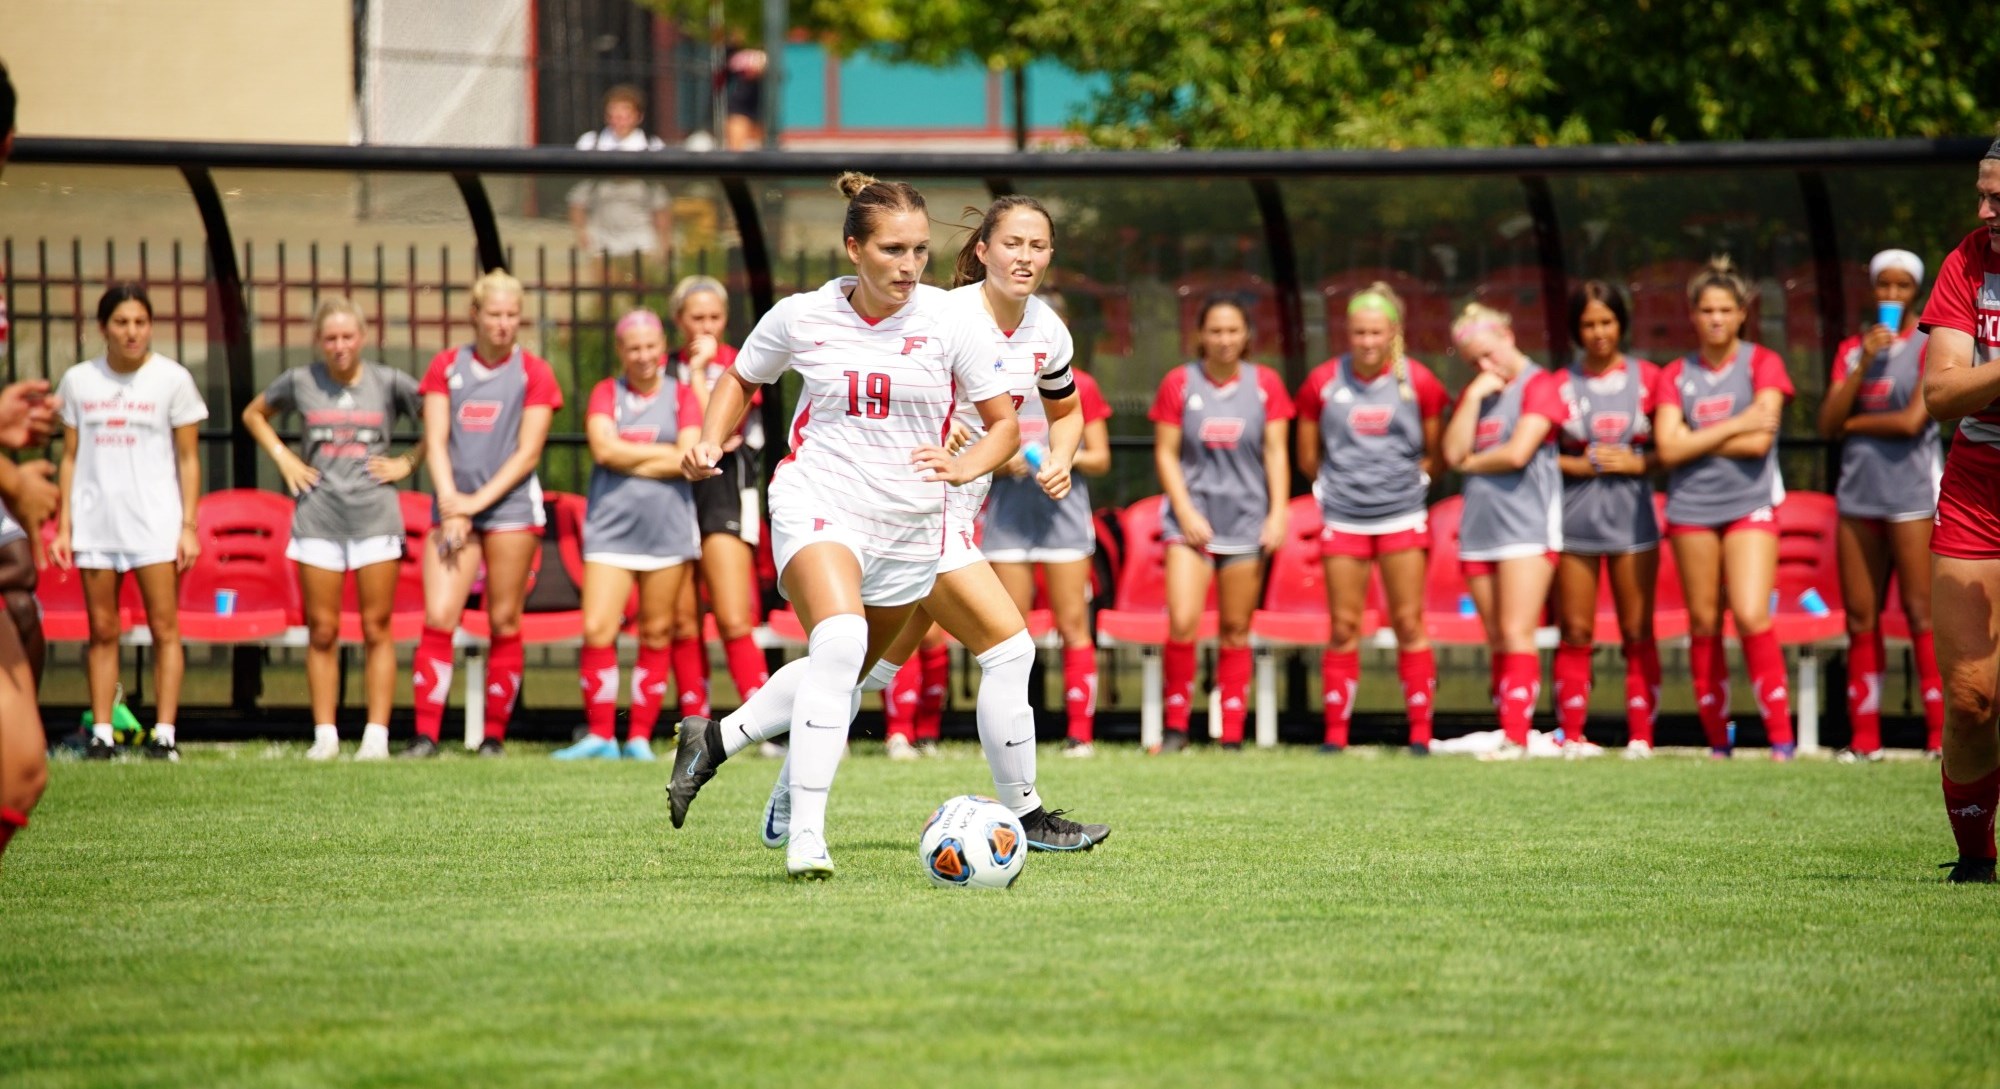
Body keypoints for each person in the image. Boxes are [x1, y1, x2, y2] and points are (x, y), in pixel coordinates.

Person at [666, 172, 1023, 880]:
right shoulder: (802, 315)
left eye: (919, 250)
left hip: (910, 524)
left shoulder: (952, 320)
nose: (909, 265)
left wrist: (963, 466)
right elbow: (740, 377)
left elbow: (1004, 426)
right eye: (893, 250)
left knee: (854, 676)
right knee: (840, 640)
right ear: (854, 248)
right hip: (818, 498)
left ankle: (720, 740)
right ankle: (808, 836)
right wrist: (708, 439)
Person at [242, 297, 422, 761]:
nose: (340, 346)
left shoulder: (388, 382)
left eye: (347, 336)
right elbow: (253, 414)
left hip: (375, 517)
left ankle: (376, 737)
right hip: (319, 517)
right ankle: (325, 736)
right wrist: (284, 458)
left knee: (376, 628)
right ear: (319, 341)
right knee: (322, 630)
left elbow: (440, 417)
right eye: (330, 338)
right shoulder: (300, 381)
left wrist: (408, 461)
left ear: (363, 337)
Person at [405, 270, 563, 758]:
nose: (503, 323)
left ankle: (493, 737)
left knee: (504, 618)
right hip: (454, 508)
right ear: (474, 315)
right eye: (494, 314)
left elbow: (527, 453)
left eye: (512, 315)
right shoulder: (446, 366)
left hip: (512, 510)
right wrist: (453, 504)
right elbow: (435, 441)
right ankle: (425, 736)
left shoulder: (534, 372)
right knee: (440, 614)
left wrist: (474, 505)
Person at [51, 284, 208, 761]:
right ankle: (102, 733)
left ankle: (165, 734)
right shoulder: (79, 381)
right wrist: (64, 526)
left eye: (140, 322)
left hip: (155, 526)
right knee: (102, 630)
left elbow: (188, 458)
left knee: (165, 629)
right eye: (121, 322)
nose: (132, 332)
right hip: (96, 524)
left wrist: (188, 526)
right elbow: (69, 457)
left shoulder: (173, 379)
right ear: (103, 328)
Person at [1294, 284, 1447, 755]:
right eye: (1359, 332)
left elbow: (1436, 450)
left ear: (1393, 332)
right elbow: (1307, 456)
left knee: (1408, 622)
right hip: (1344, 517)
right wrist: (1336, 487)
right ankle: (1336, 736)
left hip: (1402, 516)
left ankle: (1420, 734)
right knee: (1343, 626)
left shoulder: (1418, 381)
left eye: (1376, 332)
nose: (1367, 341)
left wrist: (1412, 482)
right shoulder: (1323, 381)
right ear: (1347, 333)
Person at [1652, 257, 1795, 761]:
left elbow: (1760, 442)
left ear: (1741, 314)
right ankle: (1718, 742)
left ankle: (1781, 740)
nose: (1716, 319)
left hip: (1748, 505)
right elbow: (1667, 450)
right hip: (1690, 508)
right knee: (1704, 622)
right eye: (1707, 310)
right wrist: (1738, 423)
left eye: (1725, 310)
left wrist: (1694, 437)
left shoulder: (1763, 363)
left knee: (1752, 615)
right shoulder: (1675, 374)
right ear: (1693, 315)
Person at [556, 309, 703, 762]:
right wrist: (664, 455)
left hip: (668, 531)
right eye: (634, 348)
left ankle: (638, 736)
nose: (643, 355)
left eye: (651, 346)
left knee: (656, 633)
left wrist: (630, 455)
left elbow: (689, 457)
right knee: (598, 628)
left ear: (663, 348)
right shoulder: (607, 392)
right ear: (621, 351)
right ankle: (601, 735)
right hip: (611, 532)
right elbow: (602, 449)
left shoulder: (682, 395)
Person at [1151, 297, 1294, 752]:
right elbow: (1166, 454)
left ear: (1246, 335)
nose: (1224, 339)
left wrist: (1278, 512)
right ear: (1200, 335)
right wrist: (1185, 511)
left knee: (1235, 627)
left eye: (1233, 330)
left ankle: (1231, 733)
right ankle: (1176, 728)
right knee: (1183, 622)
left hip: (1246, 521)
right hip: (1190, 523)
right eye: (1215, 330)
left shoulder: (1266, 384)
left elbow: (1276, 453)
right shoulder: (1179, 382)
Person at [1819, 249, 1941, 763]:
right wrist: (1865, 363)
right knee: (1860, 617)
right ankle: (1865, 739)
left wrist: (1854, 424)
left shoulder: (1932, 345)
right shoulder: (1853, 350)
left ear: (1916, 292)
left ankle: (1940, 738)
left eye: (1902, 286)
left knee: (1921, 613)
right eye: (1883, 286)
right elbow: (1828, 424)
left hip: (1911, 497)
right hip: (1858, 496)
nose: (1891, 295)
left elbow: (1913, 421)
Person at [1916, 138, 2000, 883]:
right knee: (1973, 697)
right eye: (1982, 192)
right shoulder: (1967, 262)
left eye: (1999, 197)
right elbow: (1941, 394)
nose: (1984, 209)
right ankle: (1976, 858)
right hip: (1978, 486)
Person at [983, 293, 1114, 758]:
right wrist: (1005, 465)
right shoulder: (992, 377)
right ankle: (1006, 733)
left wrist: (1062, 459)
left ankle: (1080, 734)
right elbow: (972, 452)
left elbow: (1100, 458)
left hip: (1064, 520)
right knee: (1008, 633)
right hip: (1008, 520)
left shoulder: (1082, 384)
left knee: (1073, 626)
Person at [1444, 304, 1569, 761]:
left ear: (1508, 336)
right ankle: (1508, 728)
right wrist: (1473, 398)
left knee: (1518, 631)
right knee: (1496, 635)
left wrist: (1471, 463)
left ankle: (1518, 737)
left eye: (1488, 353)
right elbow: (1451, 451)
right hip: (1479, 530)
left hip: (1527, 529)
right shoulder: (1479, 391)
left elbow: (1518, 453)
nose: (1484, 365)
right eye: (1473, 360)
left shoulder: (1541, 384)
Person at [1550, 282, 1663, 759]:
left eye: (1607, 322)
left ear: (1622, 324)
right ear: (1576, 330)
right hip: (1575, 524)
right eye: (1588, 324)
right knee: (1576, 632)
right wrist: (1574, 464)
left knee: (1637, 630)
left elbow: (1673, 448)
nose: (1599, 332)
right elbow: (1535, 451)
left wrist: (1640, 462)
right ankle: (1571, 736)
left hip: (1634, 524)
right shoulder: (1557, 384)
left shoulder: (1650, 378)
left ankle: (1641, 737)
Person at [668, 276, 768, 724]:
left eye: (715, 317)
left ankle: (765, 727)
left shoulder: (737, 363)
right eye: (697, 318)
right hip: (672, 493)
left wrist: (698, 373)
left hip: (724, 489)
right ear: (679, 320)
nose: (706, 326)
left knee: (732, 616)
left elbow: (720, 431)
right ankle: (693, 724)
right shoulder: (661, 365)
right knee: (683, 620)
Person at [568, 85, 672, 262]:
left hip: (640, 236)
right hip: (601, 235)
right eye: (614, 116)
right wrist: (581, 231)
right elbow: (577, 200)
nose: (619, 121)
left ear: (638, 117)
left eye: (625, 116)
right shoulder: (590, 143)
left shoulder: (652, 146)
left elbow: (660, 205)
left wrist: (664, 242)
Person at [721, 40, 767, 151]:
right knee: (736, 147)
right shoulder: (733, 55)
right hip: (739, 107)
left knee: (762, 147)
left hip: (760, 106)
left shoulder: (765, 54)